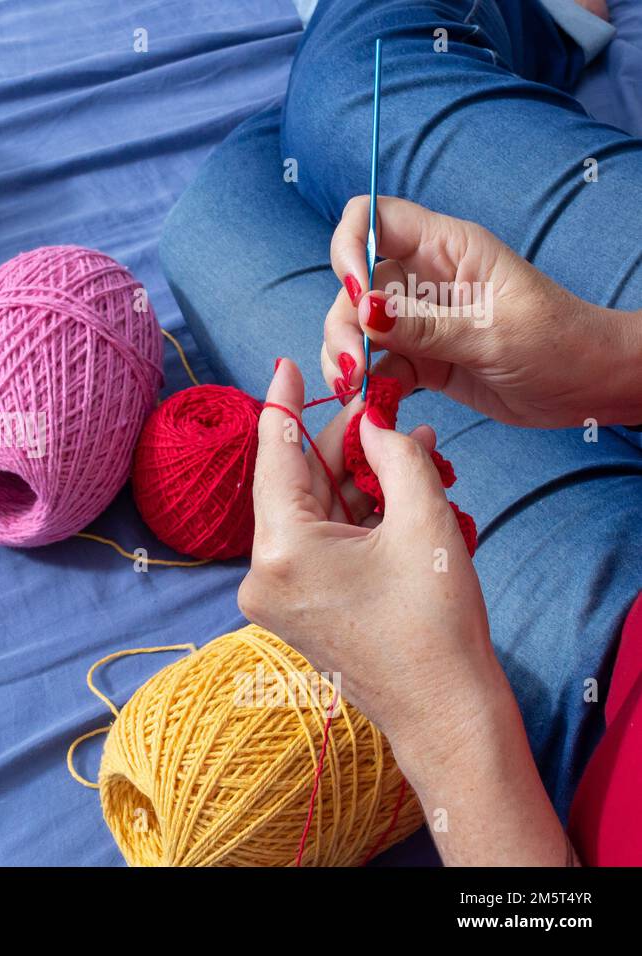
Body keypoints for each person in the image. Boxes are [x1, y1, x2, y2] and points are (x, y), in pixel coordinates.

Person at [159, 0, 642, 864]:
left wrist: (445, 728)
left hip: (611, 689)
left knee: (233, 199)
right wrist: (609, 364)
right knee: (344, 108)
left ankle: (537, 25)